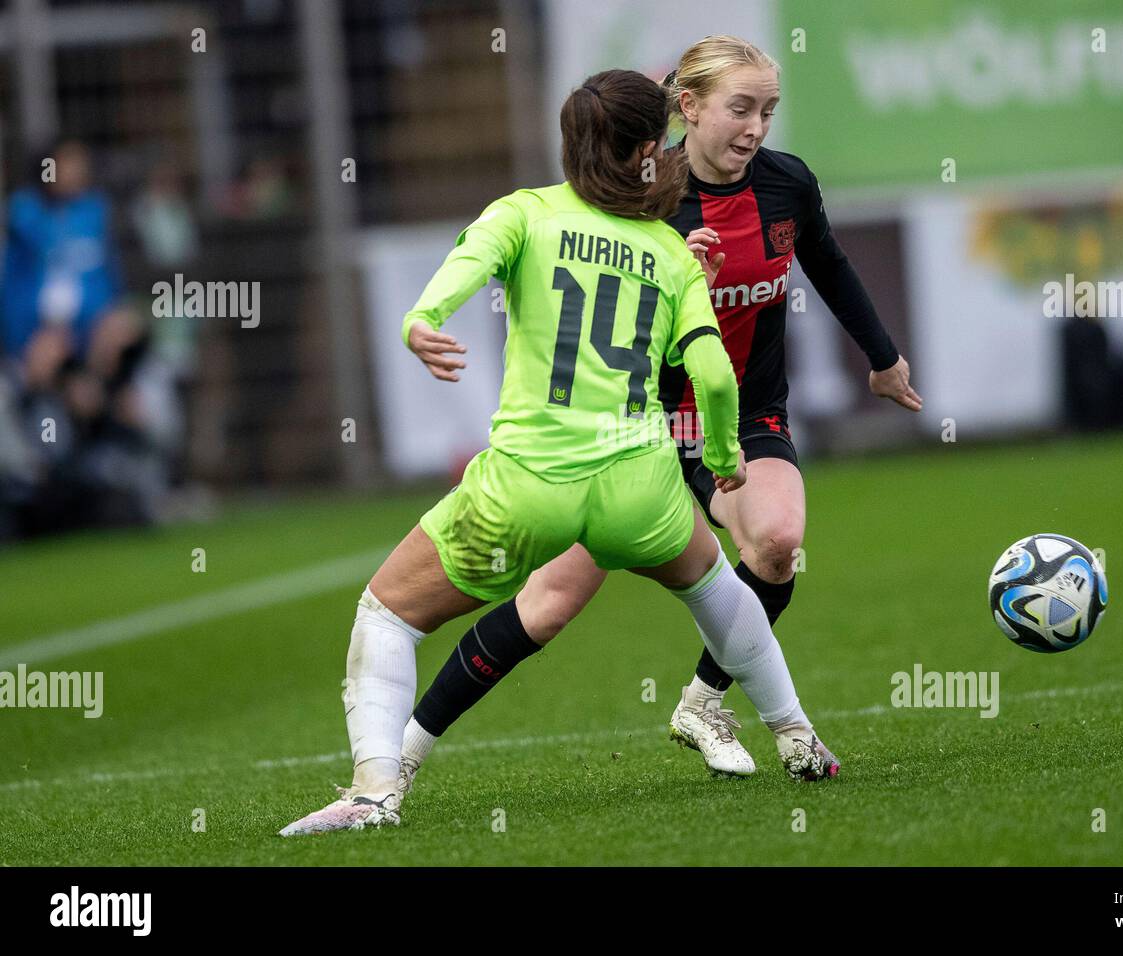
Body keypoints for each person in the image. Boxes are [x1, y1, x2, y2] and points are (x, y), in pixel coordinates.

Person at [279, 68, 838, 837]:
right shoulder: (669, 249)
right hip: (640, 487)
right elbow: (712, 373)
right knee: (720, 591)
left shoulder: (525, 212)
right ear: (648, 151)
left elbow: (467, 266)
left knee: (389, 615)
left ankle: (376, 795)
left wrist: (422, 319)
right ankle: (797, 735)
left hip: (530, 481)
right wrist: (720, 454)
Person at [397, 35, 922, 785]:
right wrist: (684, 276)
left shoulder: (788, 185)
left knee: (777, 542)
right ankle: (401, 756)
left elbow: (829, 263)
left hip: (744, 416)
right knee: (547, 608)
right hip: (636, 430)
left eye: (768, 110)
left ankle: (704, 703)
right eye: (740, 108)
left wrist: (883, 358)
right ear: (689, 108)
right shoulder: (644, 200)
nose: (756, 127)